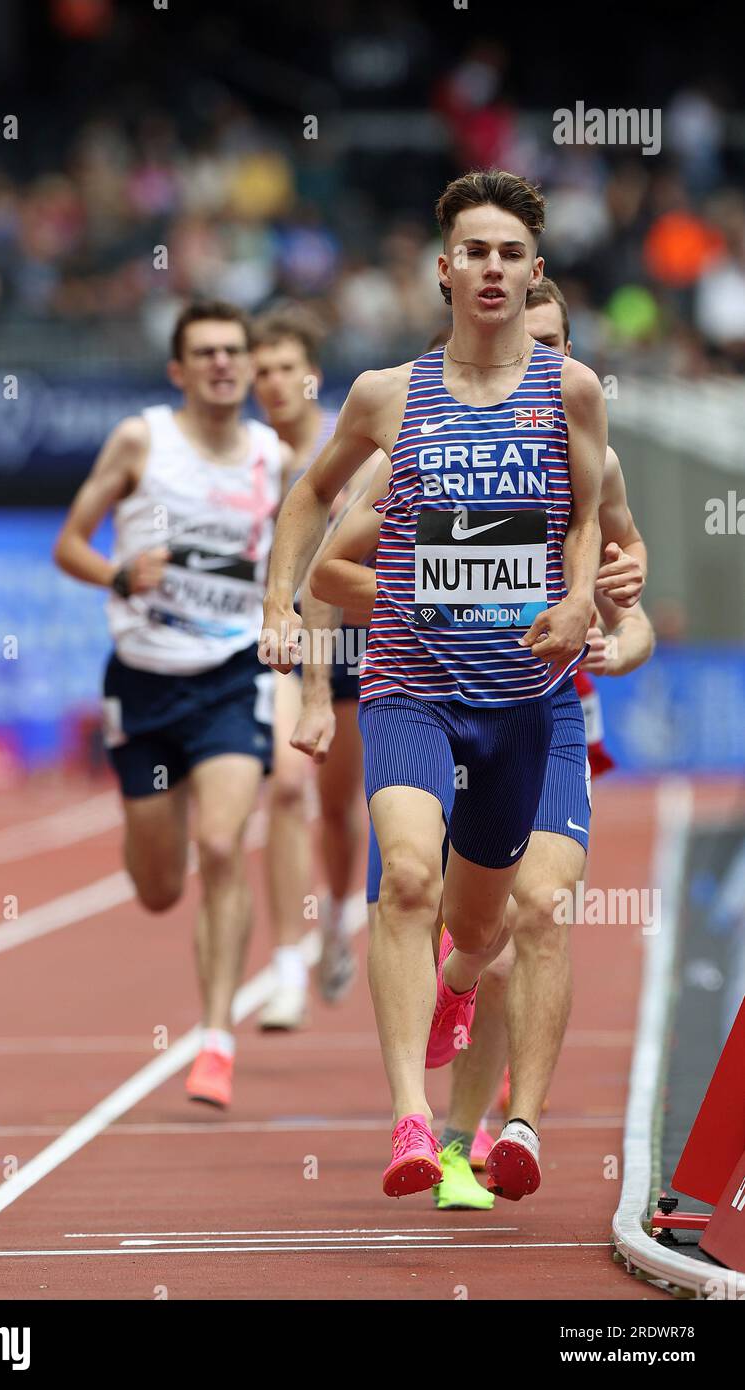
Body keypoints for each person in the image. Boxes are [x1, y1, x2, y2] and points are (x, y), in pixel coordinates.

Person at [260, 170, 607, 1199]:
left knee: (488, 923)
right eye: (475, 252)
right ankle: (412, 1119)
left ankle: (484, 1045)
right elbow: (309, 500)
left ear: (531, 270)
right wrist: (282, 603)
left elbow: (586, 516)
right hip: (411, 690)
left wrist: (583, 600)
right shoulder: (387, 395)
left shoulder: (570, 393)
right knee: (407, 877)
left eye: (510, 254)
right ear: (442, 268)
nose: (492, 269)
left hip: (524, 697)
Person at [309, 275, 655, 1207]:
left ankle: (506, 1130)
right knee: (448, 913)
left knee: (535, 916)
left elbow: (632, 595)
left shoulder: (593, 461)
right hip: (427, 703)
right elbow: (329, 568)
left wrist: (616, 632)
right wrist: (428, 594)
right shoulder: (420, 451)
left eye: (551, 349)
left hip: (541, 719)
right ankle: (429, 1114)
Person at [54, 300, 292, 1111]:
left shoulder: (272, 454)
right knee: (160, 885)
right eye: (207, 353)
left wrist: (288, 619)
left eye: (235, 351)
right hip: (146, 683)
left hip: (230, 677)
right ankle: (146, 833)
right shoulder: (140, 440)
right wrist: (120, 575)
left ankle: (215, 1038)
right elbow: (70, 544)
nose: (224, 364)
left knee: (223, 845)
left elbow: (300, 551)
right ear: (179, 370)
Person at [251, 309, 360, 1025]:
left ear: (311, 374)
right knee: (289, 785)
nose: (273, 383)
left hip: (352, 641)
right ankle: (287, 961)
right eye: (261, 371)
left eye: (287, 368)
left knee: (340, 807)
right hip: (278, 643)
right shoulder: (245, 453)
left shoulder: (347, 446)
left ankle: (333, 925)